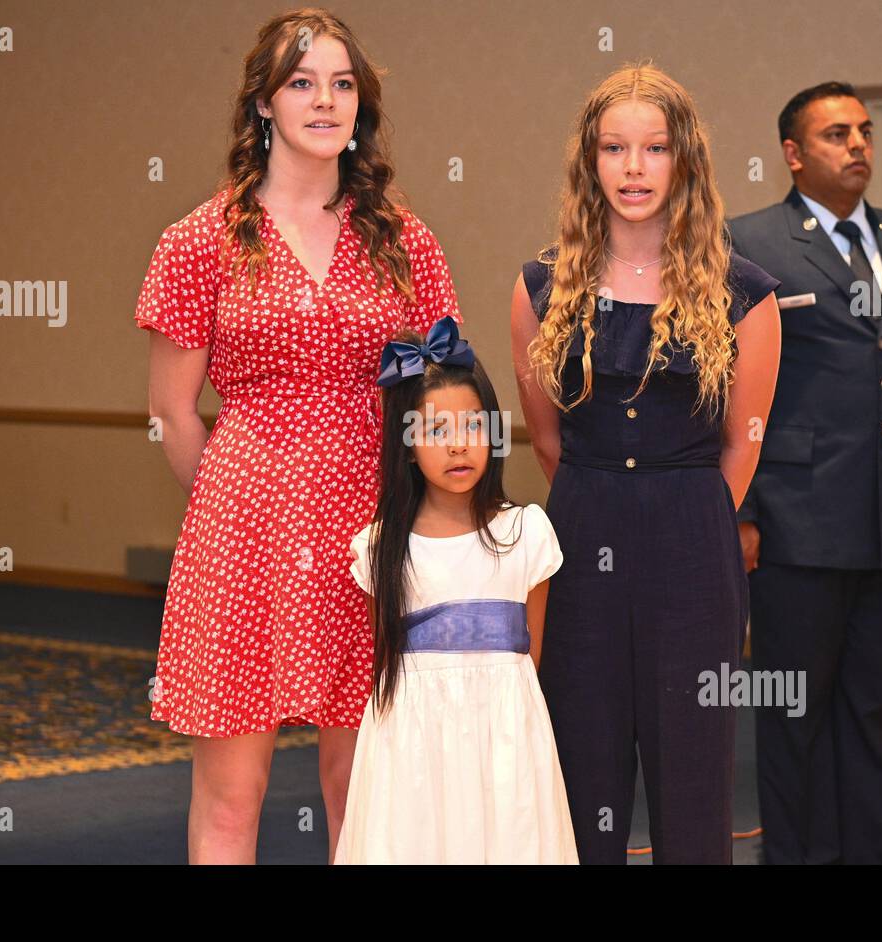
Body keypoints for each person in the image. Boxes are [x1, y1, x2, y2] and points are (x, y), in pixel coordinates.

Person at [133, 9, 462, 864]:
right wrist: (236, 507)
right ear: (264, 105)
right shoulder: (201, 240)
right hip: (242, 530)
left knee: (364, 787)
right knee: (232, 796)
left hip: (372, 526)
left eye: (343, 84)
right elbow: (173, 412)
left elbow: (444, 394)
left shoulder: (403, 240)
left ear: (363, 105)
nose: (326, 101)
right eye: (302, 82)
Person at [510, 62, 782, 864]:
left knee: (693, 777)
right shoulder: (541, 287)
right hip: (580, 536)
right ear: (589, 162)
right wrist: (609, 510)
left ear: (684, 160)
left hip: (695, 544)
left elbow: (742, 447)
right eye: (615, 148)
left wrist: (675, 516)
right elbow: (547, 440)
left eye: (655, 149)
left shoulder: (747, 293)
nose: (634, 168)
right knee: (579, 767)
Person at [727, 81, 882, 864]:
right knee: (794, 717)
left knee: (875, 715)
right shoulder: (747, 243)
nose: (859, 144)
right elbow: (734, 391)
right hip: (796, 523)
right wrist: (742, 510)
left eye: (864, 131)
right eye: (836, 134)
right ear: (793, 155)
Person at [333, 318, 577, 864]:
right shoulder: (380, 549)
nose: (458, 446)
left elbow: (530, 656)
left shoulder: (526, 533)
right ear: (407, 446)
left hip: (507, 742)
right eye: (435, 432)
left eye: (472, 426)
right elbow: (386, 654)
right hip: (412, 749)